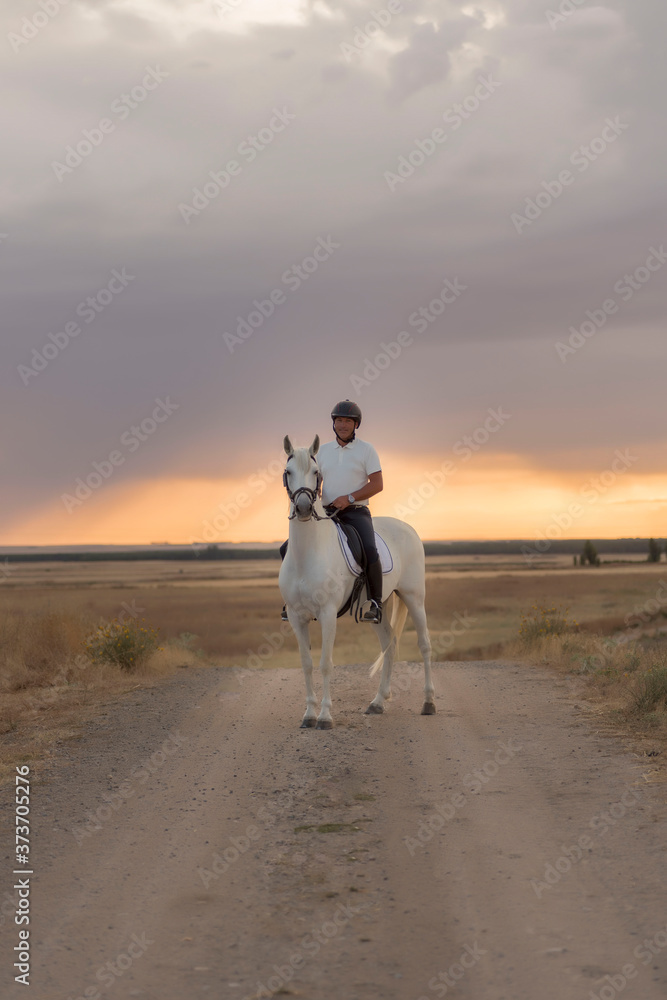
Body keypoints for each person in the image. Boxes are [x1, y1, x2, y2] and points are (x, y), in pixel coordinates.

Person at [281, 399, 384, 623]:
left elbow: (377, 484)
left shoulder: (367, 450)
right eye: (339, 420)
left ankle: (375, 602)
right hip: (326, 513)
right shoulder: (323, 451)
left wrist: (349, 498)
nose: (343, 425)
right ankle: (292, 600)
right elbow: (311, 479)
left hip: (356, 512)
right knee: (287, 547)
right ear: (333, 423)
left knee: (368, 548)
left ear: (356, 424)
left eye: (348, 421)